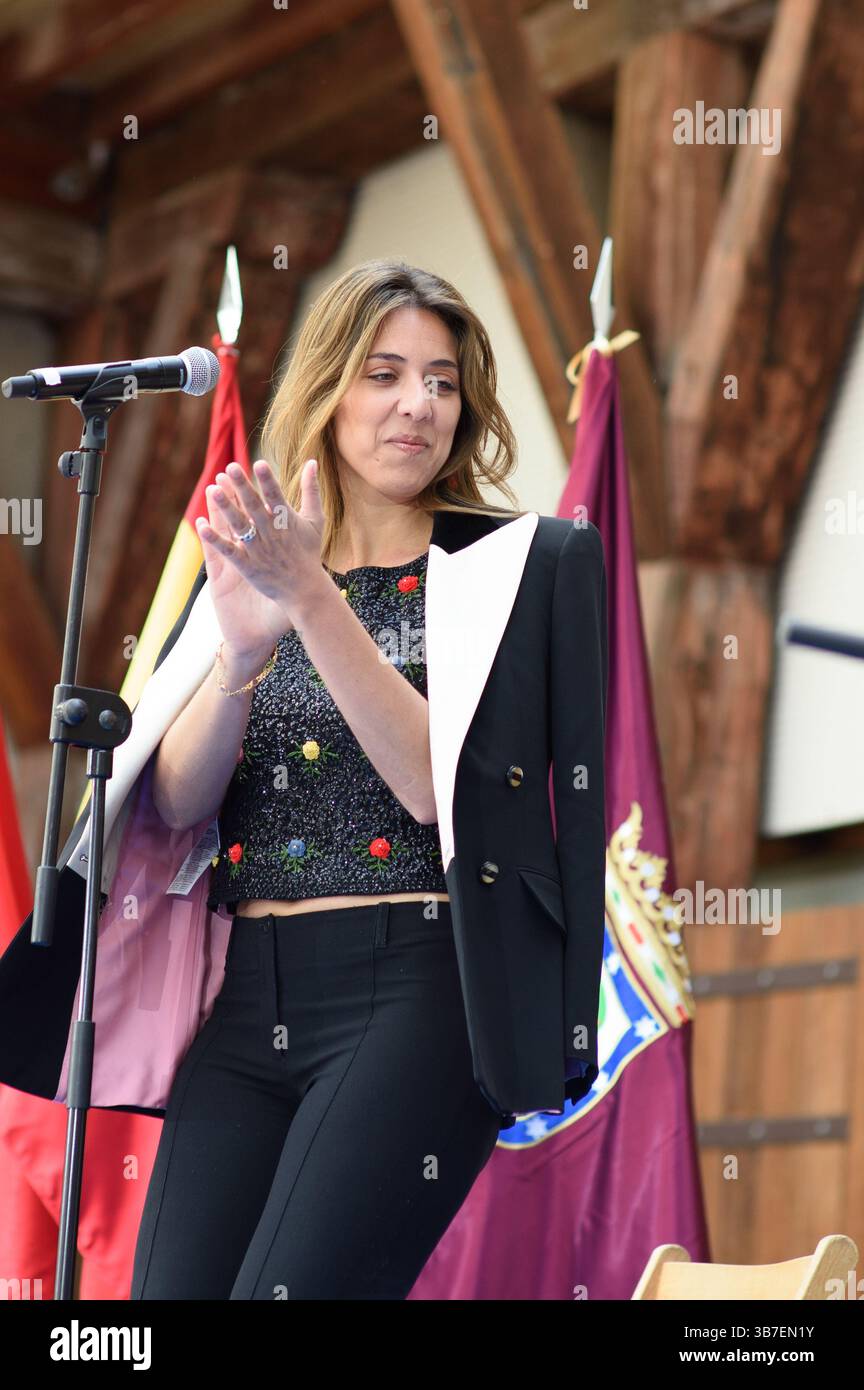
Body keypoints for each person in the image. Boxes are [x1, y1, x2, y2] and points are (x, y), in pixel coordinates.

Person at [131, 258, 531, 1300]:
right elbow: (176, 803)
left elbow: (443, 791)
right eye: (385, 373)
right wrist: (241, 656)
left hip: (418, 982)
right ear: (327, 386)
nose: (419, 404)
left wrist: (314, 600)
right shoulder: (248, 553)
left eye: (442, 380)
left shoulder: (502, 568)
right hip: (249, 985)